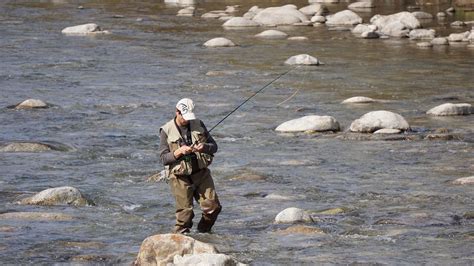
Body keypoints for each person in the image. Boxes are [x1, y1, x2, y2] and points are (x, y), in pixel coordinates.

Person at [159, 98, 222, 234]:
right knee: (184, 217)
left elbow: (214, 147)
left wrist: (204, 147)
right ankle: (181, 244)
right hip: (180, 177)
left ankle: (203, 234)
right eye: (184, 117)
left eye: (189, 117)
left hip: (201, 173)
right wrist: (178, 152)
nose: (187, 120)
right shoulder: (166, 130)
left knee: (213, 208)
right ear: (177, 112)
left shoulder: (199, 124)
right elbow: (164, 158)